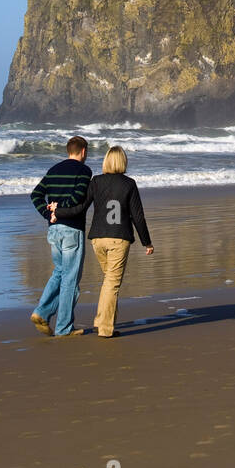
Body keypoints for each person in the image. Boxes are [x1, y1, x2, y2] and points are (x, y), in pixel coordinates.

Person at [50, 145, 154, 338]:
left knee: (109, 280)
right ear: (123, 161)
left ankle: (102, 320)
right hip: (118, 238)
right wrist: (146, 242)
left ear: (106, 161)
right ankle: (105, 328)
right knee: (112, 283)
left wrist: (58, 212)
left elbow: (80, 208)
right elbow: (138, 216)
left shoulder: (96, 181)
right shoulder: (129, 184)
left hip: (97, 239)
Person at [29, 136, 92, 337]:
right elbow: (78, 197)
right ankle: (64, 327)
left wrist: (48, 214)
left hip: (53, 229)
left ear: (68, 151)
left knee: (59, 272)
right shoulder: (84, 171)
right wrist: (60, 209)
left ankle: (42, 311)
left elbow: (35, 195)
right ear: (83, 151)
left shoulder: (53, 170)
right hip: (72, 228)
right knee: (70, 279)